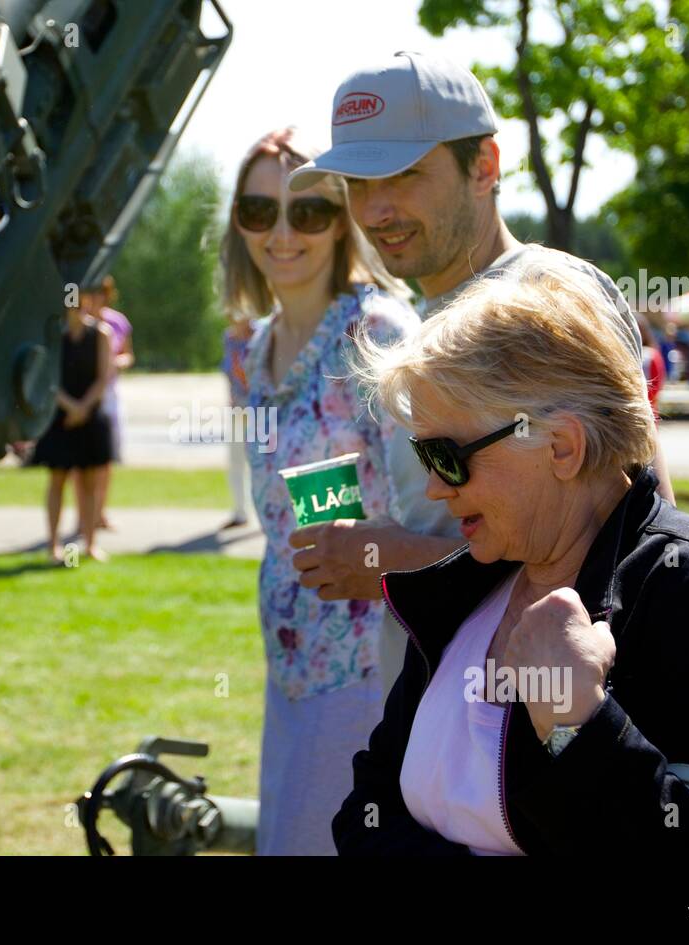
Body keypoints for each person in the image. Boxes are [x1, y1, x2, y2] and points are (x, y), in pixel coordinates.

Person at [335, 257, 689, 855]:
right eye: (423, 455)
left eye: (447, 455)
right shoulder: (465, 589)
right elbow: (367, 809)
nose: (436, 487)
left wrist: (577, 723)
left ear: (561, 446)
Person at [283, 51, 675, 706]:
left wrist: (388, 560)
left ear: (485, 167)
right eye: (357, 182)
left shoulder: (547, 295)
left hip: (536, 736)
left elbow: (625, 548)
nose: (375, 210)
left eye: (404, 174)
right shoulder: (427, 320)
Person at [219, 126, 416, 855]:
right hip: (289, 655)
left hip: (371, 661)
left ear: (342, 222)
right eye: (258, 211)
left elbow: (435, 508)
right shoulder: (253, 347)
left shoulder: (380, 332)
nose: (281, 232)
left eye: (307, 211)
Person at [33, 291, 115, 563]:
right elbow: (48, 379)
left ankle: (90, 543)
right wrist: (70, 407)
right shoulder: (54, 336)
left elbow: (104, 378)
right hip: (61, 418)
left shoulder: (100, 334)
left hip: (89, 415)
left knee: (90, 483)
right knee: (57, 480)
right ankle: (53, 545)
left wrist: (83, 408)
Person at [94, 276, 133, 530]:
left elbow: (128, 354)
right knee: (84, 461)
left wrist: (117, 363)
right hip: (86, 394)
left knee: (106, 457)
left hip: (109, 394)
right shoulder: (80, 323)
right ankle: (86, 514)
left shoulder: (117, 322)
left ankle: (100, 511)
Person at [220, 316, 254, 530]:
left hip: (262, 410)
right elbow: (229, 373)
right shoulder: (230, 338)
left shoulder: (262, 334)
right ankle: (240, 511)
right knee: (236, 460)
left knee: (264, 460)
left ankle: (274, 510)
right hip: (237, 408)